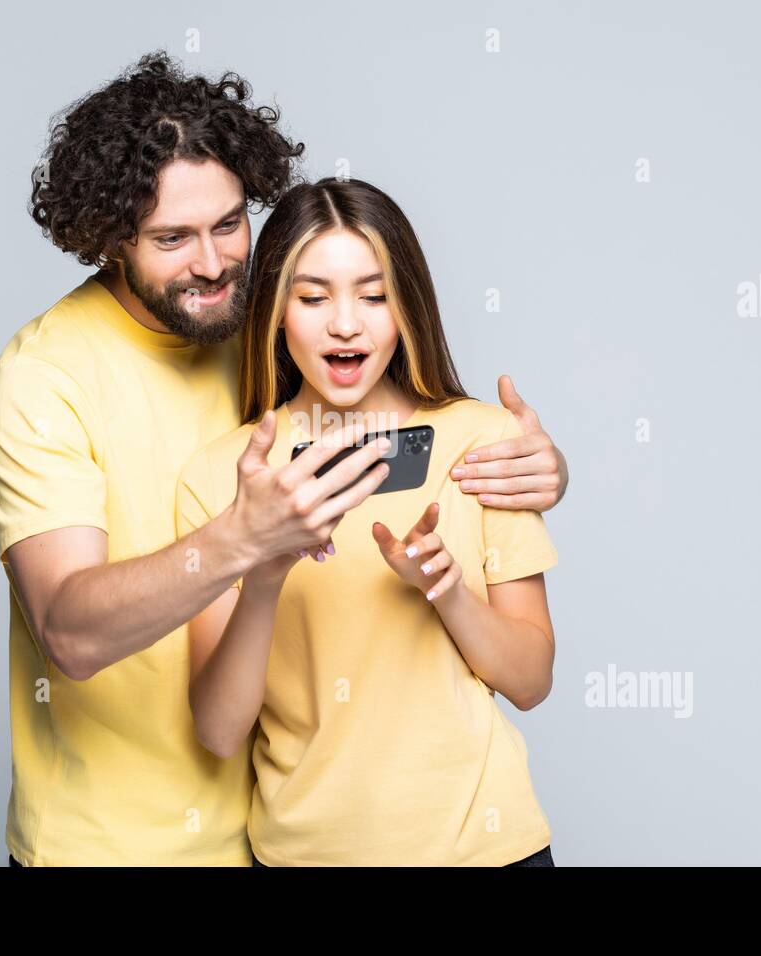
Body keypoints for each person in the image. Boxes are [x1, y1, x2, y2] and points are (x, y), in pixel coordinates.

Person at [0, 52, 568, 866]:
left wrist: (532, 466)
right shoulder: (43, 379)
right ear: (109, 237)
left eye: (228, 225)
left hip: (263, 836)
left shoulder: (255, 320)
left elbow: (369, 329)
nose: (214, 263)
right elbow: (70, 635)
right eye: (171, 238)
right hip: (116, 843)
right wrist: (248, 544)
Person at [177, 178, 558, 866]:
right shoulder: (222, 474)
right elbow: (218, 729)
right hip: (306, 853)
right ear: (276, 313)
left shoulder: (485, 443)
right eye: (314, 297)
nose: (345, 323)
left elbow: (530, 681)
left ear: (407, 308)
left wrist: (446, 590)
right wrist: (262, 574)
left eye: (374, 296)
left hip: (486, 848)